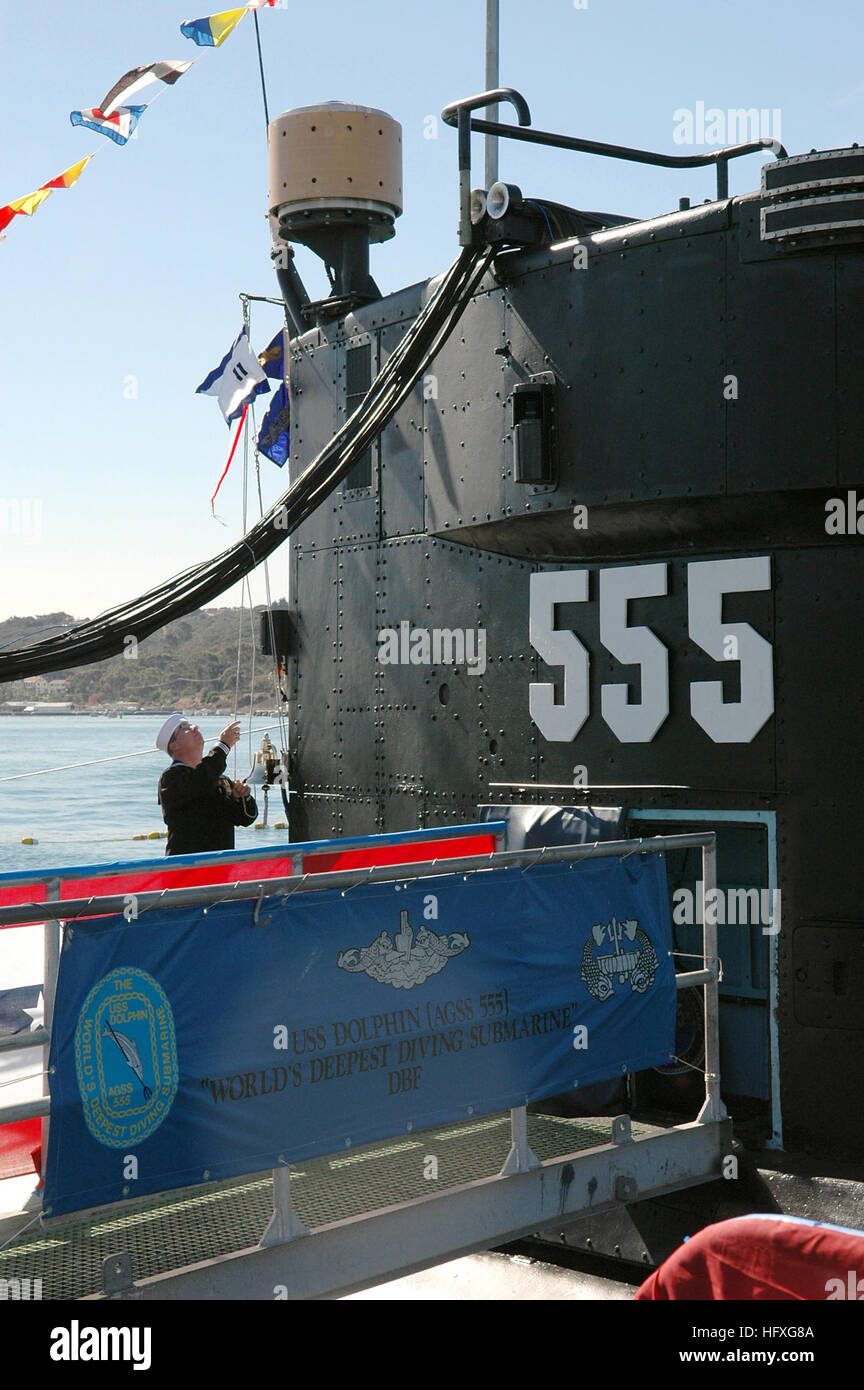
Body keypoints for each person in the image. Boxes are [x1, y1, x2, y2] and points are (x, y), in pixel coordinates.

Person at [155, 715, 258, 856]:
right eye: (184, 728)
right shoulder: (171, 778)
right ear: (174, 745)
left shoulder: (219, 779)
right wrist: (222, 746)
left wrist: (242, 798)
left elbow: (245, 819)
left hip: (220, 868)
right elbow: (200, 781)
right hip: (187, 869)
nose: (194, 727)